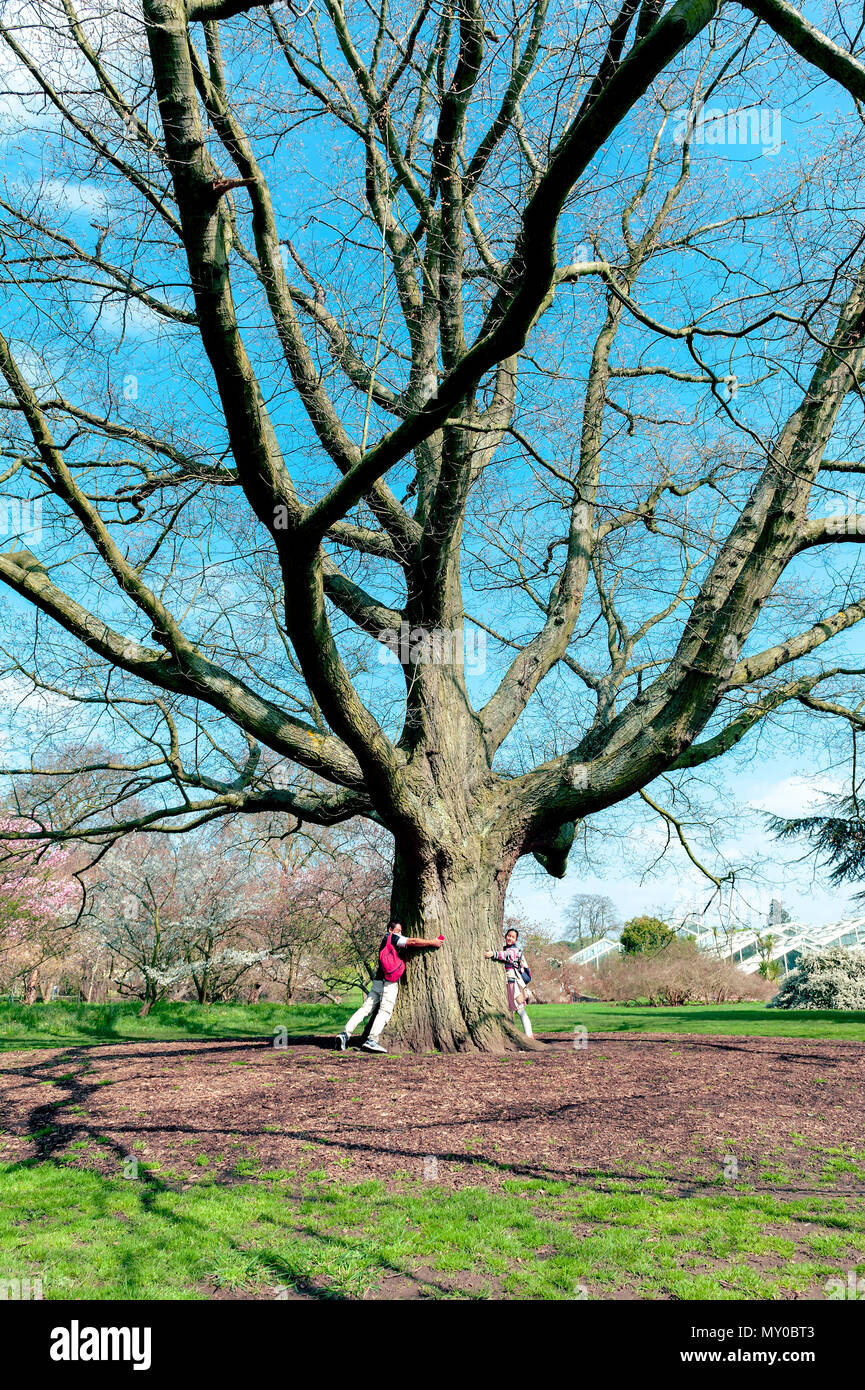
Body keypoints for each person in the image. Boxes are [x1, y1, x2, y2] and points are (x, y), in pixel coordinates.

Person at [335, 921, 443, 1054]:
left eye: (401, 930)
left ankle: (344, 1035)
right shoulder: (393, 937)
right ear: (390, 929)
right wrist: (432, 942)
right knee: (385, 1011)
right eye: (398, 930)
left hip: (378, 980)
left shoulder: (385, 940)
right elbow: (413, 942)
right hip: (389, 982)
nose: (400, 933)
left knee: (365, 1009)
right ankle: (371, 1040)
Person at [484, 927, 533, 1037]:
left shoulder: (514, 950)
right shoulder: (506, 948)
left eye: (513, 937)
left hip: (513, 982)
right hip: (509, 982)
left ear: (516, 940)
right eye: (509, 935)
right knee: (516, 1009)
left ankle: (529, 1035)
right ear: (505, 936)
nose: (510, 938)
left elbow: (507, 956)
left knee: (520, 1009)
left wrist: (493, 954)